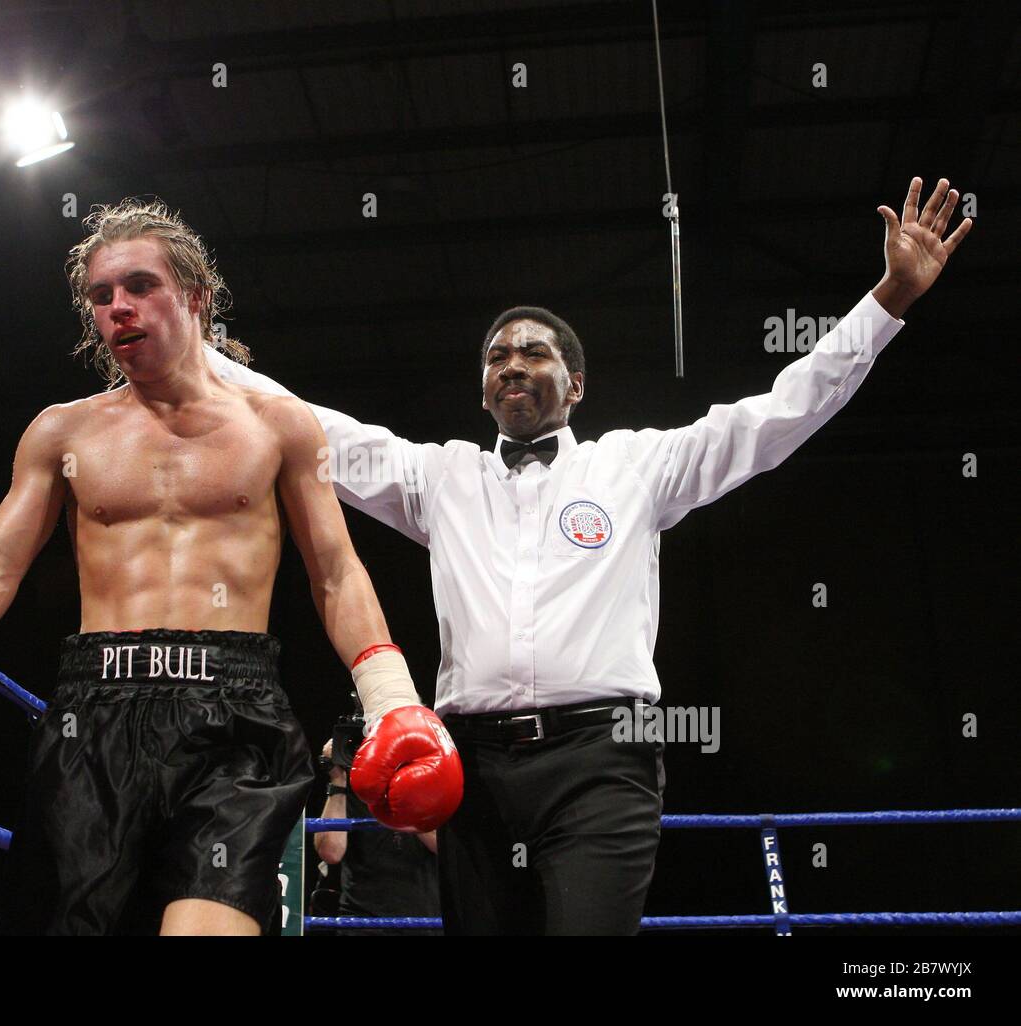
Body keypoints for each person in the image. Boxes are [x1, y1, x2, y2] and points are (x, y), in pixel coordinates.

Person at [206, 177, 973, 934]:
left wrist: (888, 301)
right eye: (497, 354)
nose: (511, 362)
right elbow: (313, 427)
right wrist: (199, 357)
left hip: (603, 762)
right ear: (482, 389)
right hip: (469, 766)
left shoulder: (636, 467)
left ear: (574, 384)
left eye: (533, 353)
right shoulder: (438, 478)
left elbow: (776, 416)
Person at [0, 197, 462, 936]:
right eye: (102, 296)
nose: (118, 308)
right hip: (94, 718)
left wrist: (392, 700)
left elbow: (335, 572)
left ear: (195, 296)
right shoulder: (62, 432)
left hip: (235, 719)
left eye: (139, 286)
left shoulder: (278, 427)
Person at [314, 735, 442, 936]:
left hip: (422, 922)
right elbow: (331, 853)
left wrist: (403, 791)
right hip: (361, 923)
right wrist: (338, 780)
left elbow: (444, 848)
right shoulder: (349, 791)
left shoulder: (427, 784)